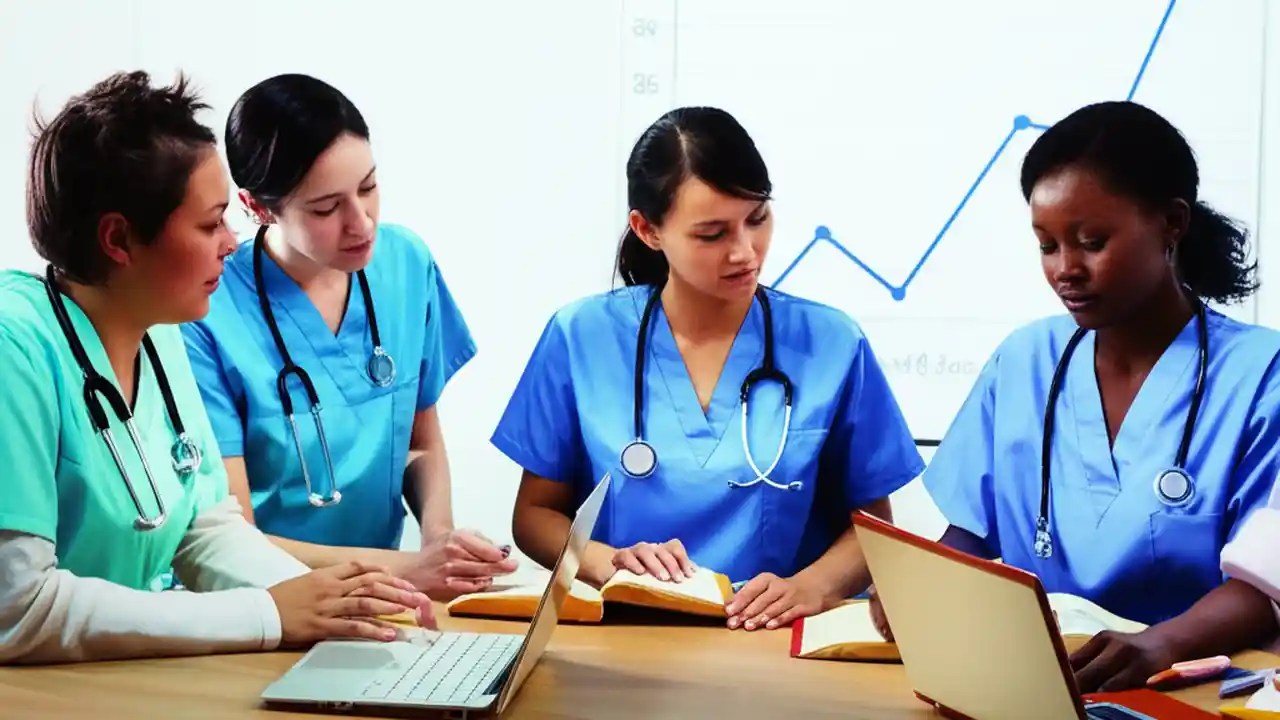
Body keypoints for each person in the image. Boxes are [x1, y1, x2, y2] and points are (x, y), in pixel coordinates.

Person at [0, 71, 433, 665]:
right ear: (119, 239)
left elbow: (203, 530)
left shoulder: (159, 330)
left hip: (126, 677)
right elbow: (18, 607)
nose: (232, 242)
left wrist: (330, 601)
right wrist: (267, 613)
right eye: (210, 224)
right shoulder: (13, 349)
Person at [871, 100, 1280, 691]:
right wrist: (924, 584)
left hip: (1197, 688)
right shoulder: (1024, 361)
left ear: (1172, 223)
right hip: (1037, 686)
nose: (1066, 269)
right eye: (1047, 245)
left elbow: (1262, 589)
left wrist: (1156, 645)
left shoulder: (1261, 375)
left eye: (1092, 241)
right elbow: (972, 532)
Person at [492, 106, 924, 631]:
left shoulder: (833, 343)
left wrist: (812, 587)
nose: (745, 252)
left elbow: (874, 525)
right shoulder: (580, 336)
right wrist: (610, 564)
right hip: (625, 638)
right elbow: (534, 515)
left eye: (757, 219)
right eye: (712, 234)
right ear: (648, 230)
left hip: (774, 640)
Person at [181, 73, 516, 600]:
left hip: (378, 602)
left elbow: (418, 442)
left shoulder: (407, 264)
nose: (362, 223)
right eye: (325, 208)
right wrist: (408, 568)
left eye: (368, 187)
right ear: (257, 207)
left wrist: (441, 540)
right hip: (267, 605)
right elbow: (233, 538)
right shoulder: (205, 315)